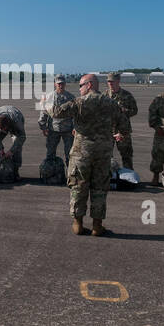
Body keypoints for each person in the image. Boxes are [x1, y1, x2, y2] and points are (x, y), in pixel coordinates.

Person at [53, 74, 127, 236]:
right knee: (99, 189)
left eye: (81, 85)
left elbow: (57, 112)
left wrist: (45, 104)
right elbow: (124, 124)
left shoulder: (79, 102)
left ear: (90, 85)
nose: (79, 89)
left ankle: (78, 223)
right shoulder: (111, 103)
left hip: (82, 154)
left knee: (79, 187)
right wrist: (115, 132)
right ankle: (97, 226)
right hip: (103, 154)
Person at [38, 74, 77, 163]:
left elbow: (75, 115)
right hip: (53, 130)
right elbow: (44, 112)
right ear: (55, 84)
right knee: (50, 153)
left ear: (65, 84)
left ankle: (70, 175)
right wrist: (43, 127)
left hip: (68, 130)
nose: (60, 85)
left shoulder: (71, 97)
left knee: (70, 154)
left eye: (62, 83)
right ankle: (51, 174)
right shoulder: (48, 97)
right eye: (58, 83)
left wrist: (75, 127)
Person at [106, 71, 138, 169]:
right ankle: (107, 178)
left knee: (126, 156)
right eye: (109, 81)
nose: (110, 83)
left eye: (112, 81)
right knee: (106, 156)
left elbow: (134, 110)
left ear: (118, 81)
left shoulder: (127, 95)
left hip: (123, 131)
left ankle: (128, 179)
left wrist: (123, 111)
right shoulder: (104, 96)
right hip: (108, 131)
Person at [0, 105, 26, 179]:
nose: (4, 132)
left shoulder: (17, 121)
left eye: (4, 130)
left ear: (8, 126)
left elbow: (22, 137)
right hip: (2, 121)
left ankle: (15, 171)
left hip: (15, 118)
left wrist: (11, 151)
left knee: (17, 147)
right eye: (1, 130)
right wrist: (0, 149)